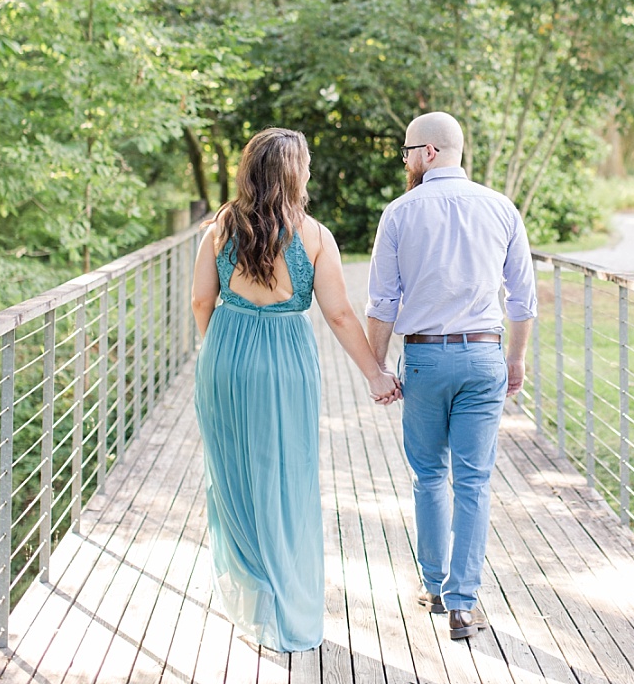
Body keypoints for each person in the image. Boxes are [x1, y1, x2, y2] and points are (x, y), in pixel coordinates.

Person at [191, 128, 401, 652]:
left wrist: (217, 351)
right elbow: (337, 313)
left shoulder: (219, 229)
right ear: (291, 172)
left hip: (225, 353)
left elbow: (200, 303)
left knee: (232, 473)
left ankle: (254, 592)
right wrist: (375, 373)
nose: (309, 171)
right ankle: (286, 600)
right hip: (285, 359)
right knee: (286, 475)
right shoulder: (313, 235)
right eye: (305, 164)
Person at [366, 111, 536, 641]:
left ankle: (434, 586)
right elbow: (523, 299)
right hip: (485, 358)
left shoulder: (398, 213)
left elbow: (382, 302)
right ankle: (464, 604)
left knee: (429, 476)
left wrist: (377, 367)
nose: (406, 161)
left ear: (429, 153)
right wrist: (517, 359)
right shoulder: (501, 208)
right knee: (475, 480)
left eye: (408, 152)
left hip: (424, 360)